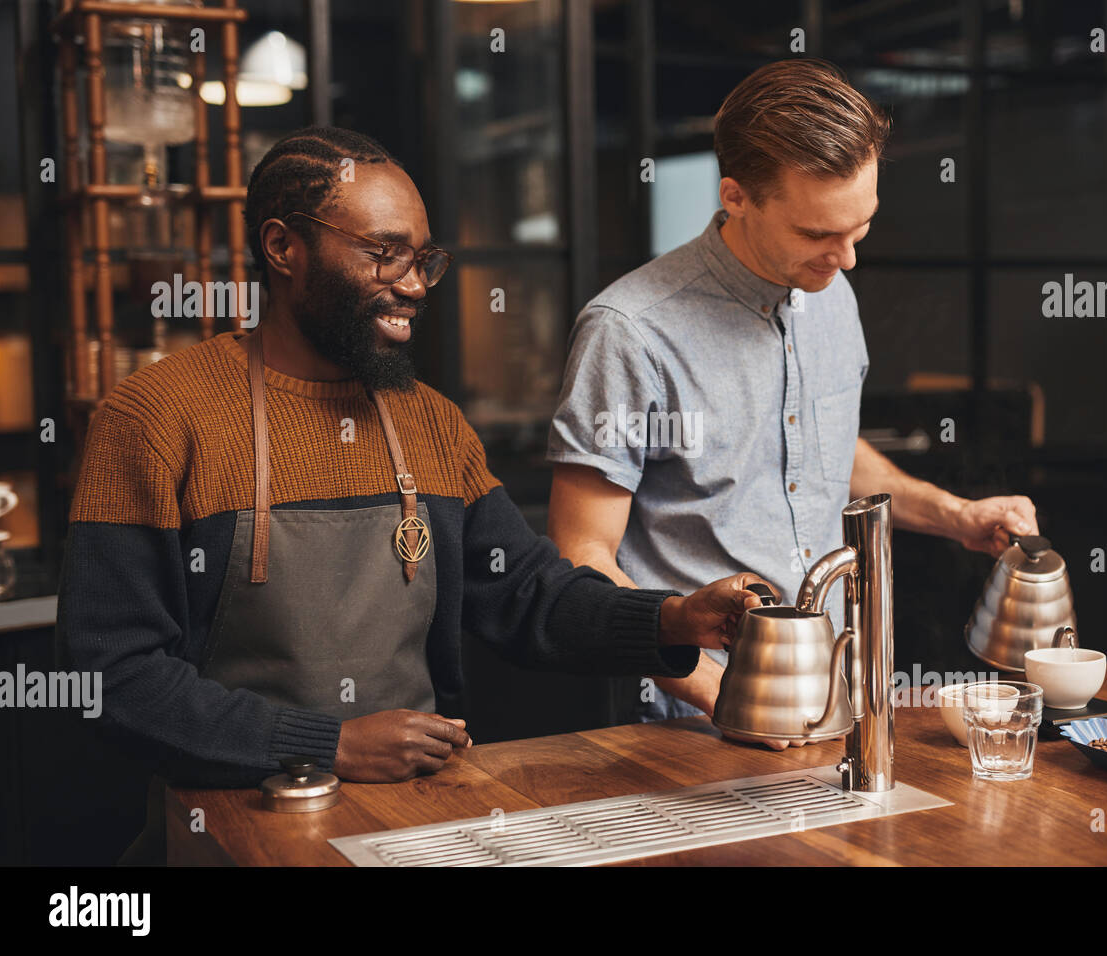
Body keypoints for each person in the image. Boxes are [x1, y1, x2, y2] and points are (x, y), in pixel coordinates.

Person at [55, 126, 768, 808]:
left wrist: (673, 618)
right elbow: (110, 674)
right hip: (234, 827)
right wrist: (325, 745)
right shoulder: (153, 418)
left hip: (414, 815)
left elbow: (529, 597)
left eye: (423, 259)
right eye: (383, 253)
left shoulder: (429, 421)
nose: (416, 285)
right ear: (282, 246)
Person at [546, 60, 1039, 744]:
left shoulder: (829, 288)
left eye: (860, 229)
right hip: (688, 721)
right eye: (817, 234)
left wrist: (955, 515)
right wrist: (730, 697)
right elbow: (582, 555)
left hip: (836, 698)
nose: (846, 259)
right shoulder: (631, 331)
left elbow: (824, 451)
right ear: (736, 196)